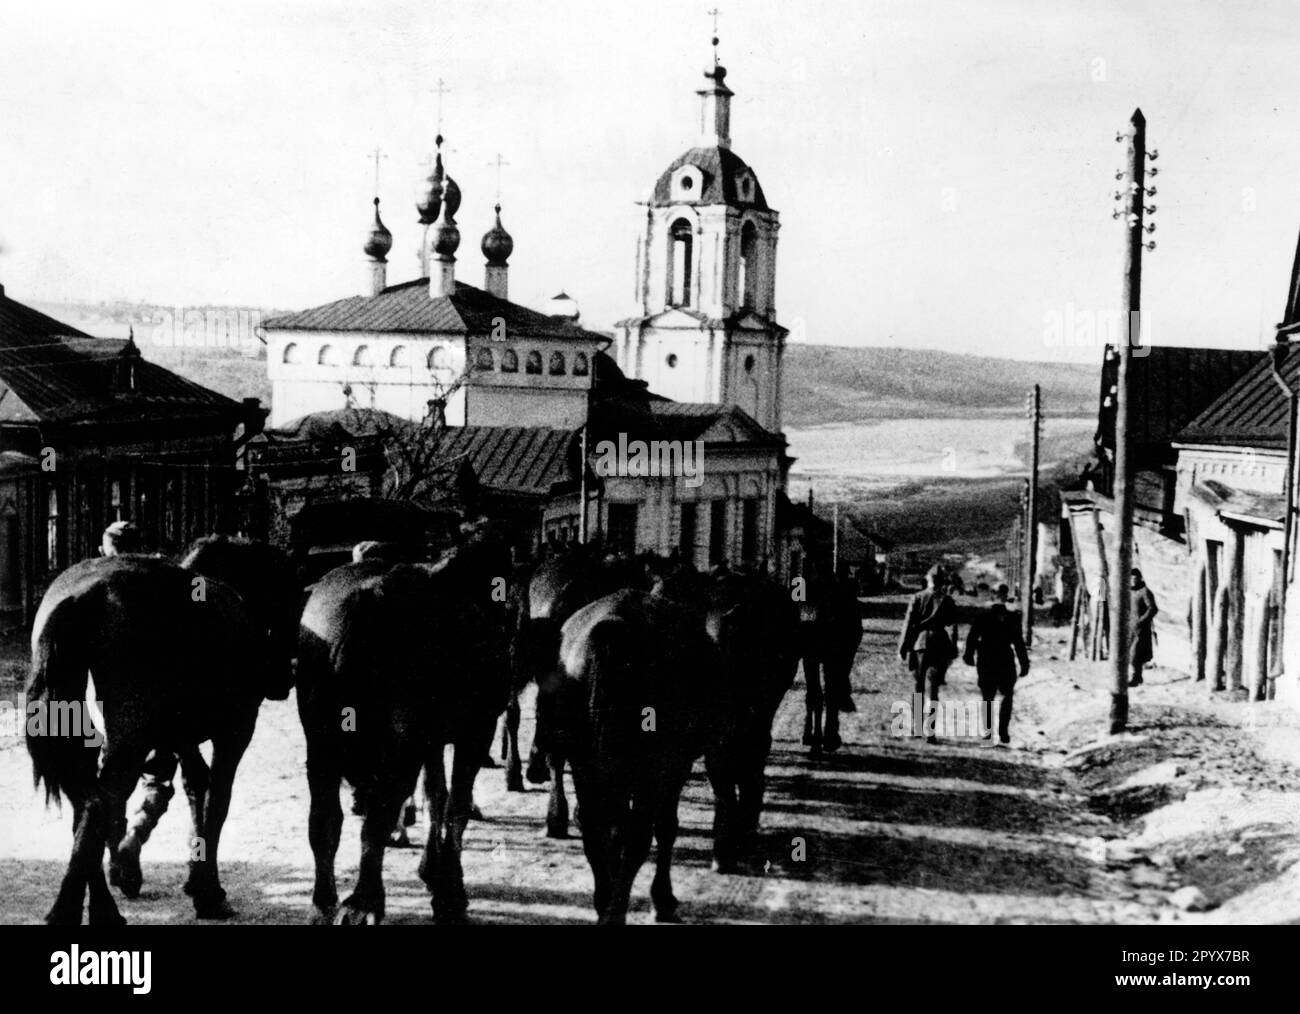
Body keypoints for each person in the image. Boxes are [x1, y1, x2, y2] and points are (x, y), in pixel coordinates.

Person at [963, 584, 1030, 745]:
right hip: (1005, 660)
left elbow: (972, 638)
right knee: (1007, 695)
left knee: (988, 697)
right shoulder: (1013, 617)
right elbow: (1019, 643)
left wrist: (969, 655)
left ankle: (988, 733)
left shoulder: (982, 616)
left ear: (992, 597)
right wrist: (1024, 663)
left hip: (986, 660)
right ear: (1005, 598)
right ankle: (1003, 732)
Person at [899, 565, 958, 743]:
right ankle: (930, 733)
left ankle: (917, 728)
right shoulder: (947, 600)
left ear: (929, 579)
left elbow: (909, 623)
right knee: (933, 689)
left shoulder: (917, 597)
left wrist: (903, 646)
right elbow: (952, 624)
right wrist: (954, 647)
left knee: (918, 687)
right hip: (939, 643)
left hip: (920, 644)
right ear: (941, 582)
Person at [1129, 568, 1158, 687]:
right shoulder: (1130, 591)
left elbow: (1153, 608)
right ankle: (1138, 676)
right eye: (1131, 578)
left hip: (1141, 629)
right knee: (1131, 654)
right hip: (1130, 627)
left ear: (1140, 578)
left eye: (1135, 578)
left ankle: (1136, 678)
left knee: (1136, 654)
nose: (1133, 581)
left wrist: (1142, 621)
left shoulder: (1144, 591)